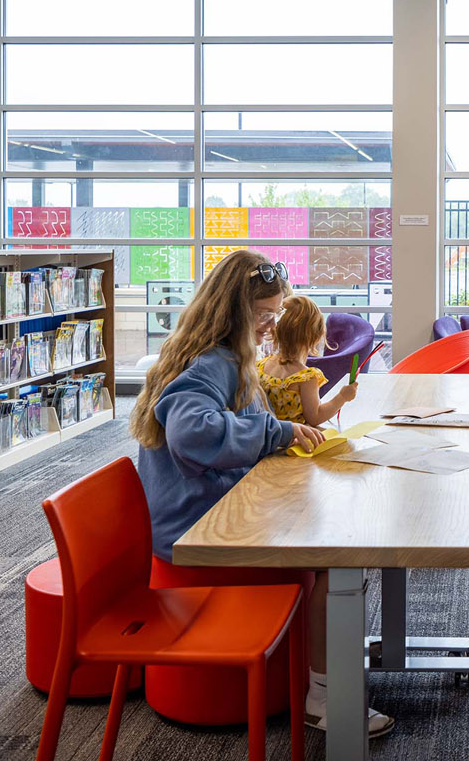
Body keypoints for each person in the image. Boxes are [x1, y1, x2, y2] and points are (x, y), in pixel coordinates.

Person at [131, 249, 394, 738]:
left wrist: (278, 429)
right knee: (332, 555)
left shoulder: (221, 355)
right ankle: (324, 698)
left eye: (274, 315)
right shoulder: (213, 362)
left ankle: (326, 664)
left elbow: (243, 422)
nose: (271, 327)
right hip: (197, 530)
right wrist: (276, 434)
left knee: (327, 521)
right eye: (263, 316)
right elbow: (191, 433)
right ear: (234, 313)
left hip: (210, 507)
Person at [259, 295, 359, 427]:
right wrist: (342, 397)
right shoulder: (305, 378)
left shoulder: (261, 366)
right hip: (294, 441)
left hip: (269, 436)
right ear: (315, 336)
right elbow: (315, 417)